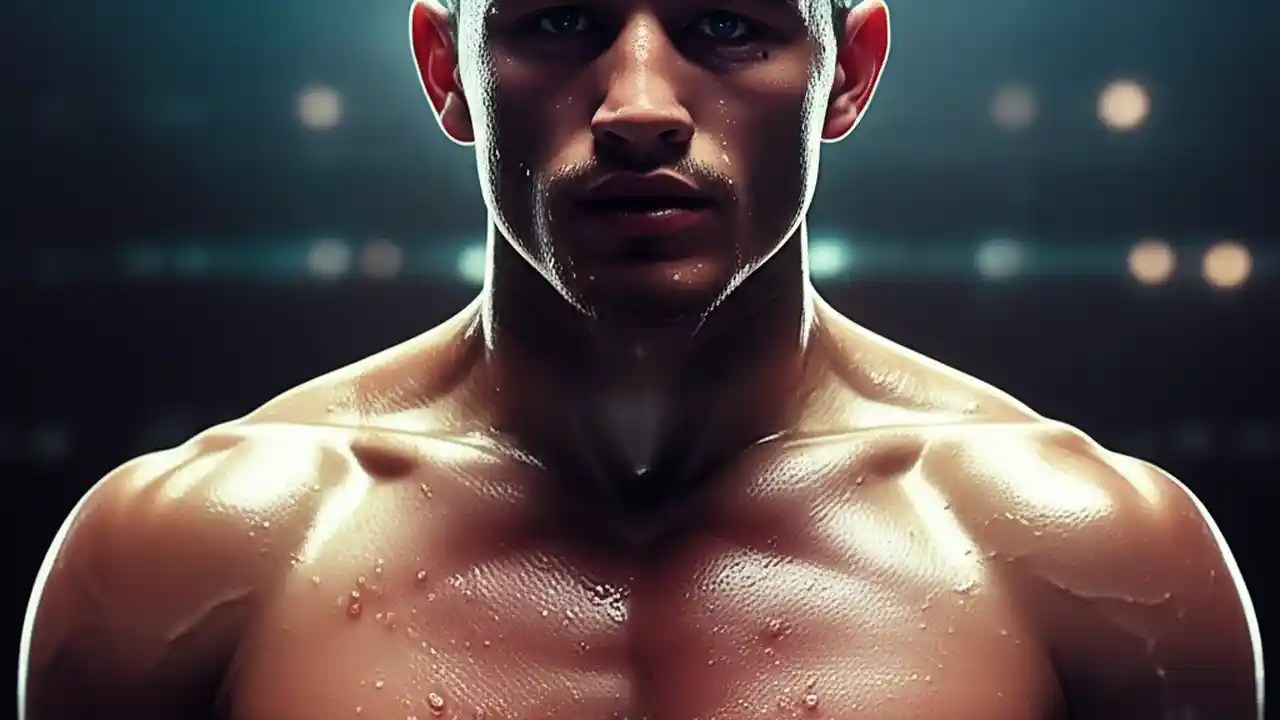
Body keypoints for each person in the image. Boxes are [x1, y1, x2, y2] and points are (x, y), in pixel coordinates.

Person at [19, 0, 1263, 717]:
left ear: (851, 71)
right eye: (557, 21)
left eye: (727, 24)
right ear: (447, 70)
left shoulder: (1097, 562)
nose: (637, 105)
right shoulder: (182, 560)